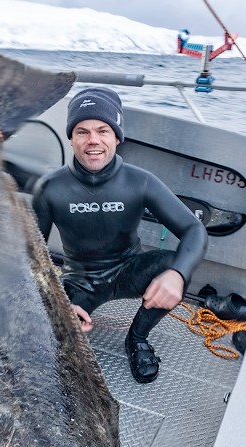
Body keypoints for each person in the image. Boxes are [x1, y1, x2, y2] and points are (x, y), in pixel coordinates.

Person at [32, 87, 208, 384]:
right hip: (80, 280)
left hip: (129, 270)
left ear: (117, 136)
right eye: (82, 131)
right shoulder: (50, 188)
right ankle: (72, 315)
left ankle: (137, 338)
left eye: (103, 130)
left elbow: (194, 229)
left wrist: (177, 274)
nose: (93, 141)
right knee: (49, 353)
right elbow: (30, 257)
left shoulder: (140, 182)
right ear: (71, 138)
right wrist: (57, 304)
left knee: (173, 267)